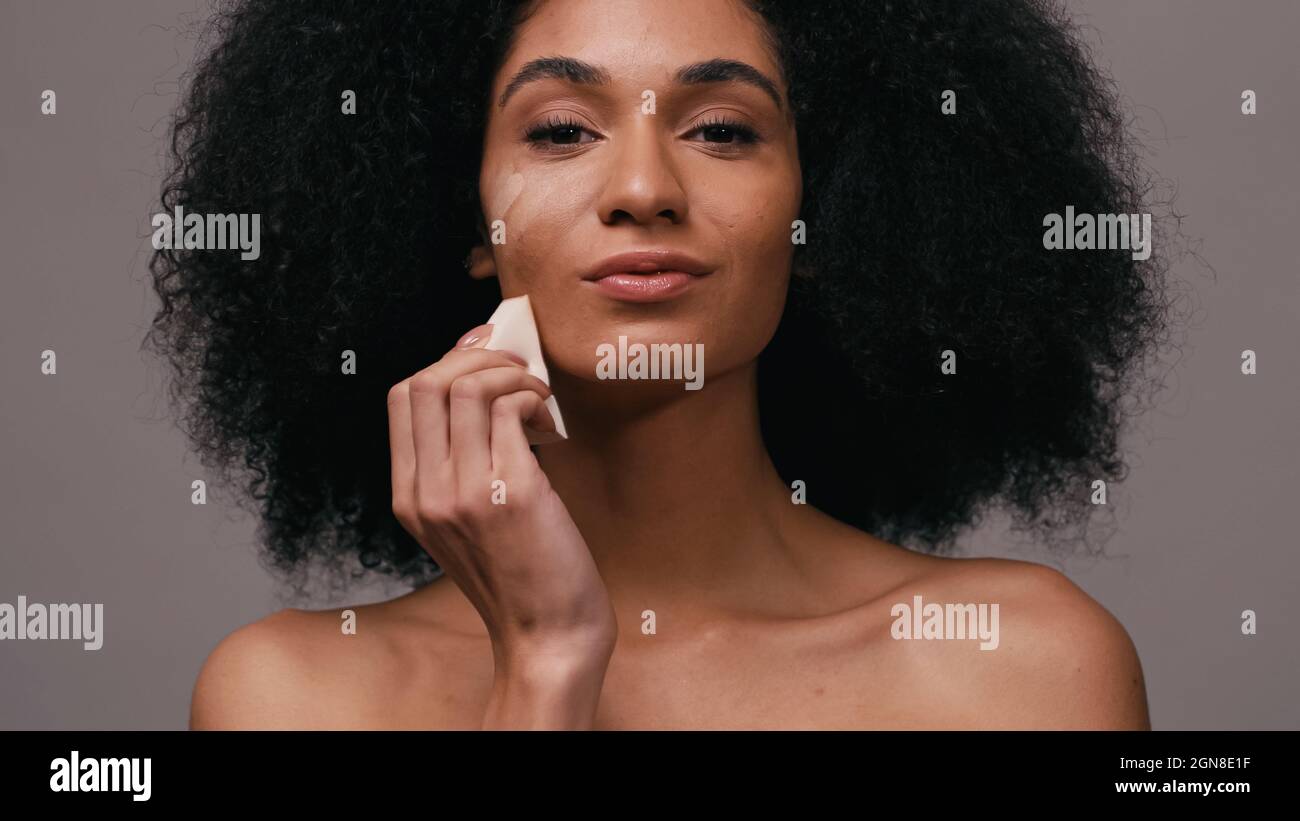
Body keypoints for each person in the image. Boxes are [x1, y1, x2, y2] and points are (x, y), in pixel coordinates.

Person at [150, 0, 1167, 729]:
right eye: (561, 132)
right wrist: (545, 668)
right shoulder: (292, 695)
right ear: (465, 220)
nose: (643, 187)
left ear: (822, 217)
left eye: (722, 131)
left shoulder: (1019, 666)